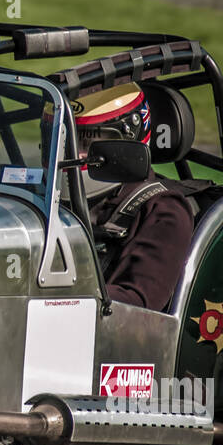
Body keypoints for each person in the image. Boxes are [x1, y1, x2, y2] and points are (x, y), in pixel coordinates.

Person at [49, 83, 195, 311]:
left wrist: (41, 297)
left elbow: (136, 306)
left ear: (128, 142)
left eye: (89, 142)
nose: (72, 153)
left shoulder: (164, 211)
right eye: (64, 140)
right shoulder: (41, 190)